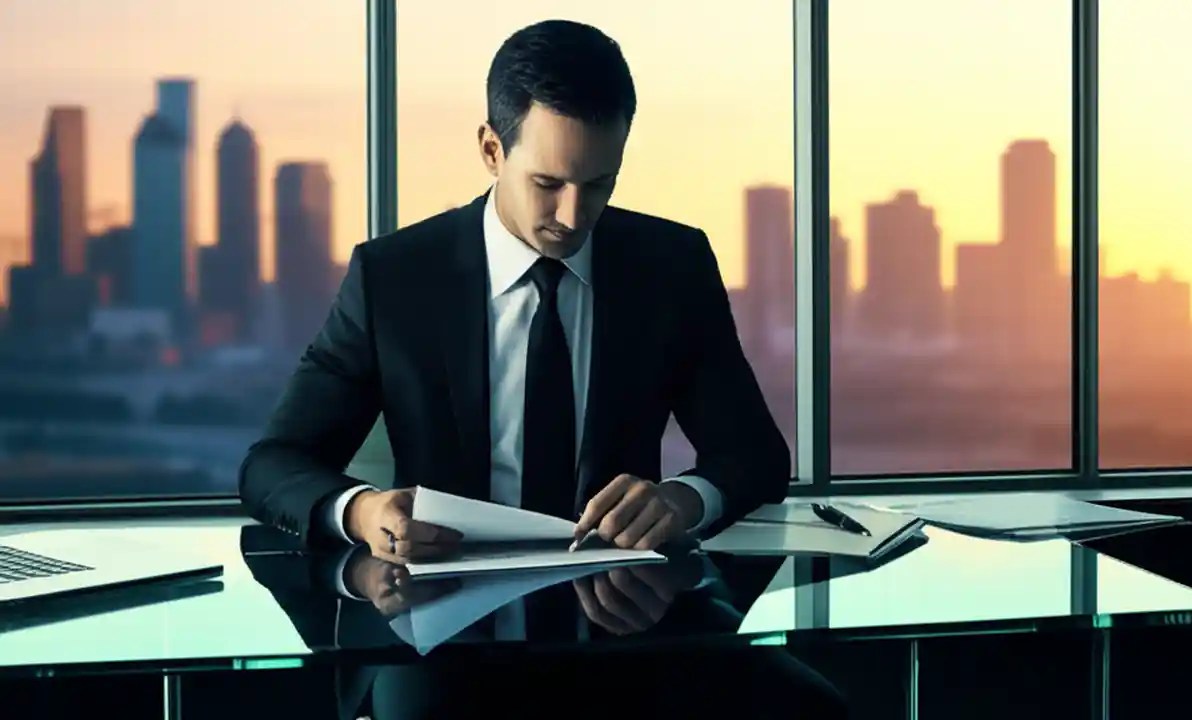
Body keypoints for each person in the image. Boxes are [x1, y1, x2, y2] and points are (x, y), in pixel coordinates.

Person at [238, 19, 789, 564]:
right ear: (491, 150)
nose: (573, 216)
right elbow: (272, 465)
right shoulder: (392, 279)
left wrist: (682, 499)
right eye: (548, 183)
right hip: (443, 603)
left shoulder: (672, 266)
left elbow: (757, 456)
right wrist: (362, 512)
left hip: (621, 603)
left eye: (599, 184)